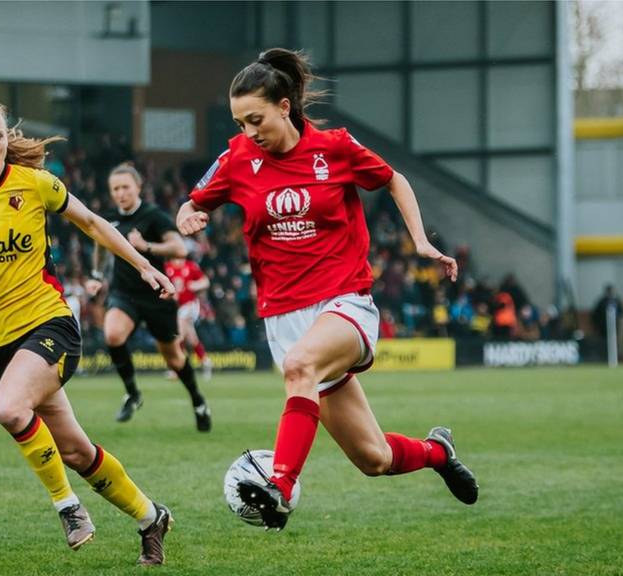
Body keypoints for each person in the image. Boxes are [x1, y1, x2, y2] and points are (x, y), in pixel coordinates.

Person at [176, 48, 479, 530]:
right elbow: (192, 202)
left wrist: (420, 241)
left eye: (256, 119)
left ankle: (280, 484)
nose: (249, 132)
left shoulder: (334, 148)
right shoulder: (236, 158)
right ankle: (437, 452)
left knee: (301, 366)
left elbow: (394, 180)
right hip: (283, 318)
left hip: (344, 303)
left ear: (284, 107)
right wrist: (189, 216)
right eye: (239, 123)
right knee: (374, 458)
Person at [0, 99, 174, 565]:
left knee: (8, 409)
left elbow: (93, 223)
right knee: (77, 452)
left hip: (49, 324)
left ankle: (68, 507)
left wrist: (144, 265)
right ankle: (151, 517)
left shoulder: (35, 182)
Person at [84, 163, 211, 431]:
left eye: (125, 187)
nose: (120, 193)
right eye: (115, 189)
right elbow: (100, 244)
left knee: (174, 359)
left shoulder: (154, 216)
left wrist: (146, 246)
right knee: (112, 335)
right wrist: (96, 275)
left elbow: (179, 248)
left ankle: (198, 401)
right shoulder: (109, 218)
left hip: (157, 296)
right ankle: (132, 394)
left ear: (138, 187)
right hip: (124, 293)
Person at [165, 255, 214, 380]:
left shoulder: (190, 266)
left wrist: (196, 285)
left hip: (190, 305)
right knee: (192, 338)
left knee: (178, 335)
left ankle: (178, 368)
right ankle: (205, 361)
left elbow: (205, 281)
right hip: (177, 308)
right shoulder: (167, 267)